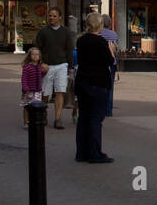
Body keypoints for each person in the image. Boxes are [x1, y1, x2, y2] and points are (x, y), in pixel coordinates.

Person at [74, 12, 114, 163]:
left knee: (84, 117)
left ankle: (82, 152)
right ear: (100, 24)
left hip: (83, 80)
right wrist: (111, 50)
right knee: (96, 119)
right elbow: (110, 61)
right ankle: (94, 153)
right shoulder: (101, 42)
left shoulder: (81, 40)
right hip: (98, 83)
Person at [34, 10, 75, 129]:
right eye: (50, 16)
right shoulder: (43, 31)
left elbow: (69, 50)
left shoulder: (65, 32)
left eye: (54, 16)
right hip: (47, 65)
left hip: (61, 65)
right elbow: (37, 48)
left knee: (60, 91)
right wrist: (40, 63)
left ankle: (58, 118)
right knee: (45, 93)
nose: (51, 18)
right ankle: (44, 112)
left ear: (60, 18)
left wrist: (71, 67)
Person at [21, 47, 45, 129]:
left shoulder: (39, 67)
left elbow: (40, 77)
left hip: (38, 91)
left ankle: (34, 121)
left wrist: (44, 73)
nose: (35, 56)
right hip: (28, 91)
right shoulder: (27, 67)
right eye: (33, 54)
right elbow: (23, 79)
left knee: (36, 107)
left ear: (40, 56)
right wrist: (26, 89)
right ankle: (26, 122)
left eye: (37, 54)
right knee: (27, 107)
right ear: (29, 56)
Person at [100, 14, 118, 116]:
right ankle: (108, 110)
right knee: (110, 87)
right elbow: (115, 49)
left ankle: (100, 108)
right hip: (111, 63)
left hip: (101, 63)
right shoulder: (114, 34)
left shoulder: (99, 33)